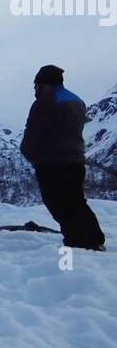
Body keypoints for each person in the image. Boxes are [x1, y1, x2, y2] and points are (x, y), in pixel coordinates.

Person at [20, 65, 106, 251]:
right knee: (75, 201)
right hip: (76, 160)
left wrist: (29, 153)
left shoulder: (45, 102)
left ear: (43, 84)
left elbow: (34, 132)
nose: (34, 89)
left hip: (52, 162)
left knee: (58, 203)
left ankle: (79, 241)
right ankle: (92, 238)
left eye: (36, 85)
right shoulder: (77, 101)